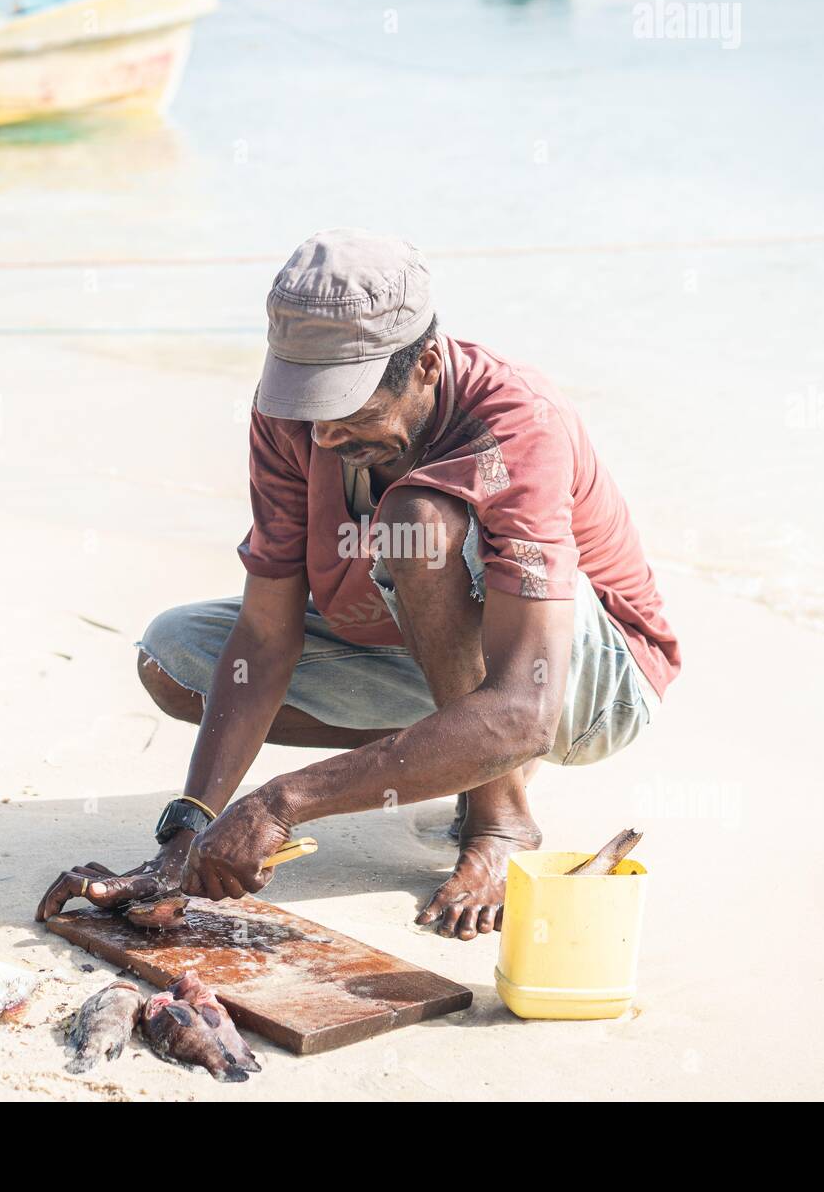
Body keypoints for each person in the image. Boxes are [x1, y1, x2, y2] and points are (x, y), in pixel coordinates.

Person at [37, 228, 680, 941]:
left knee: (417, 519)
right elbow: (264, 634)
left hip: (585, 689)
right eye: (311, 412)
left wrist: (282, 803)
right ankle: (455, 747)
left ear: (427, 366)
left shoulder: (518, 421)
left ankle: (499, 819)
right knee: (173, 657)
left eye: (352, 413)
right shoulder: (293, 422)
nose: (324, 440)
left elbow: (528, 710)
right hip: (438, 668)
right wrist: (190, 829)